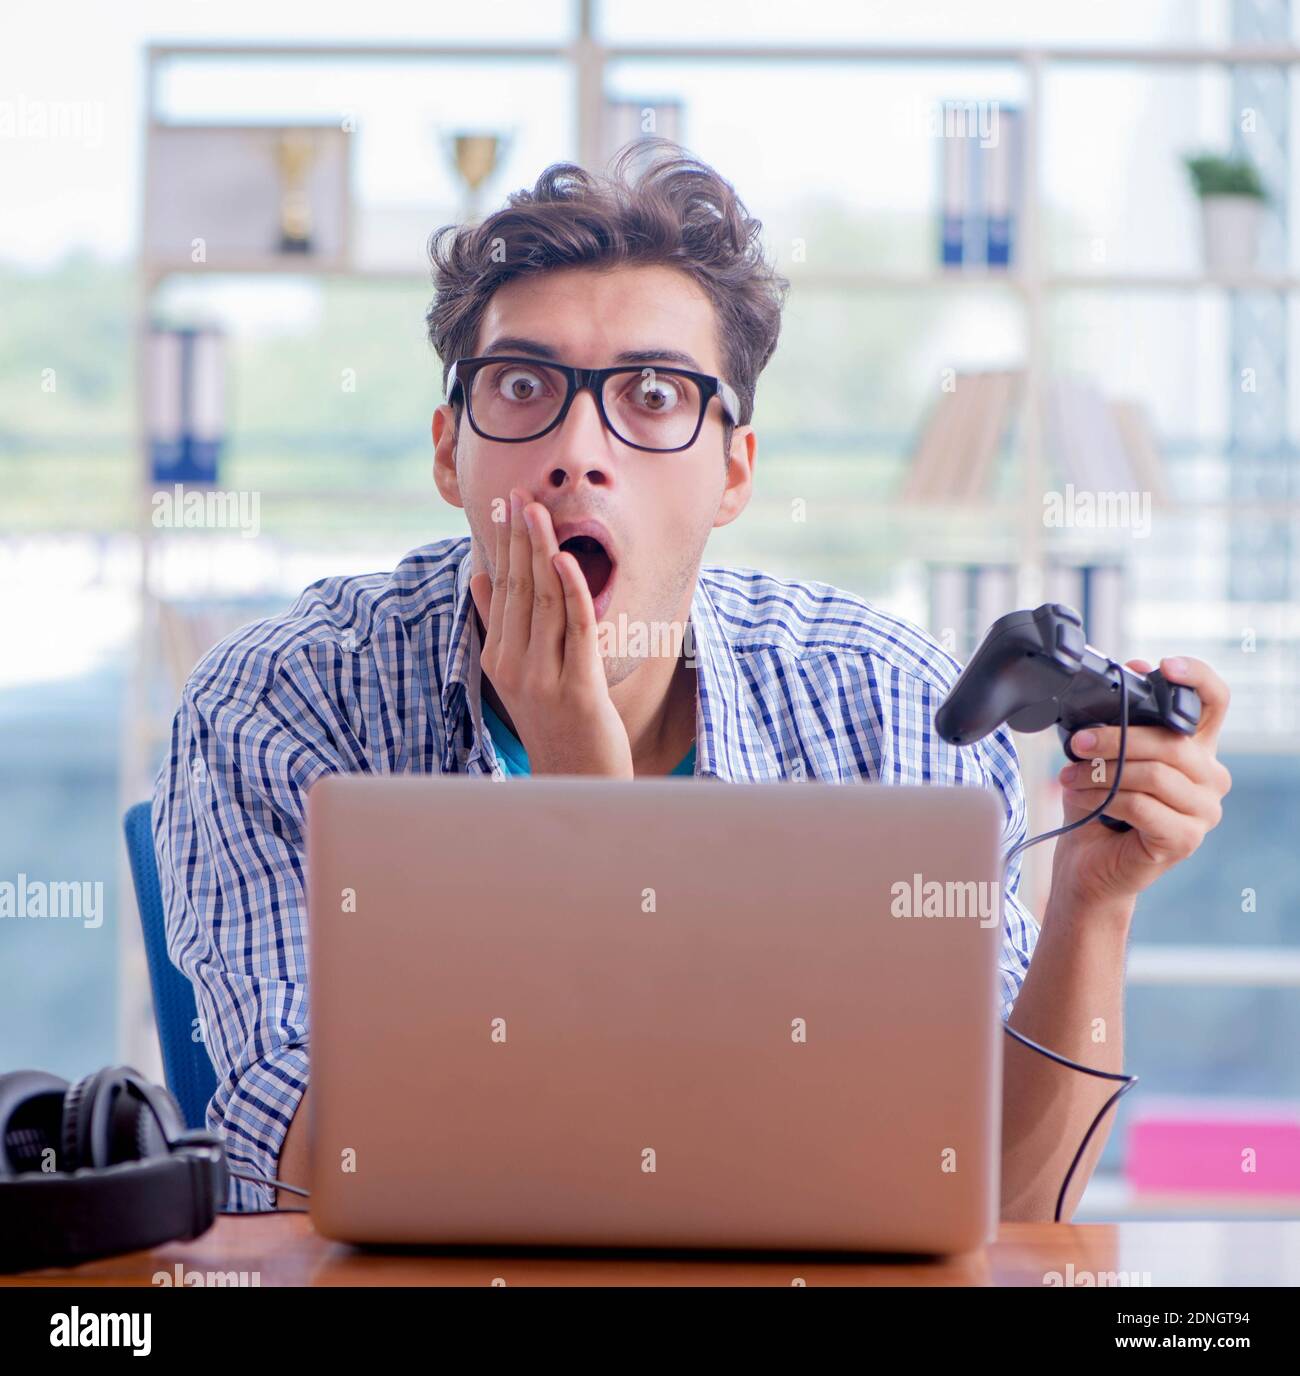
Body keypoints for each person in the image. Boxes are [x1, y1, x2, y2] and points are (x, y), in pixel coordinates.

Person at [154, 138, 1231, 1221]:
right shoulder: (282, 699)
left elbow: (1008, 1202)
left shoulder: (886, 703)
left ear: (733, 472)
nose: (579, 451)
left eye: (655, 394)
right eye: (522, 386)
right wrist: (580, 790)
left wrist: (1089, 904)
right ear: (450, 454)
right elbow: (318, 1172)